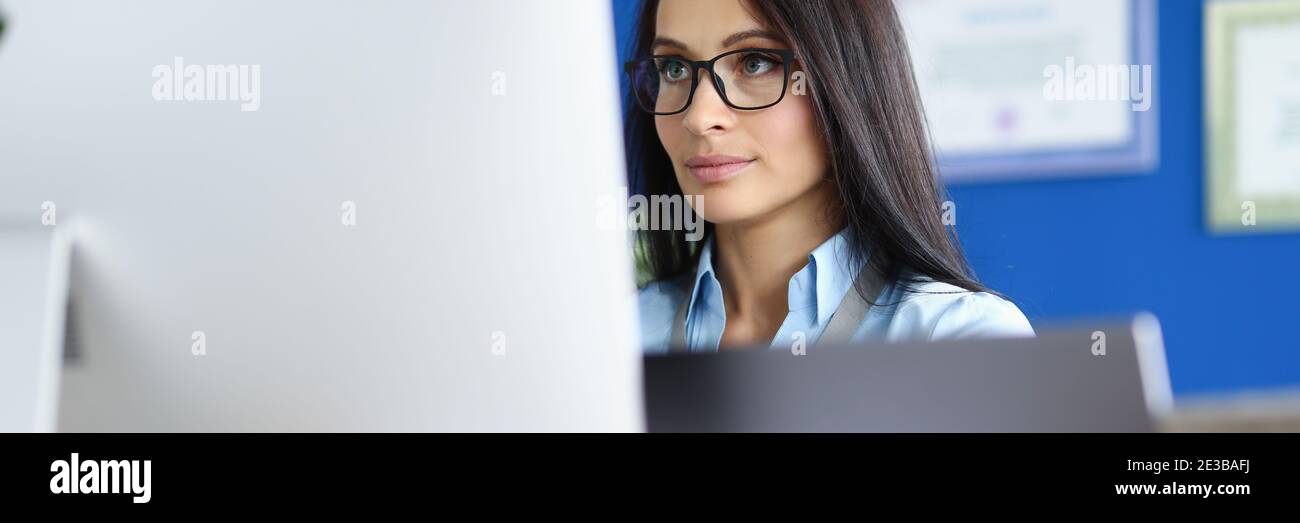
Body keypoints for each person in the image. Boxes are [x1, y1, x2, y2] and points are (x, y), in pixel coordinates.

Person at [625, 0, 1034, 354]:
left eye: (755, 62)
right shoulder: (610, 341)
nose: (699, 117)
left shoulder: (963, 340)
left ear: (847, 80)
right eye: (674, 68)